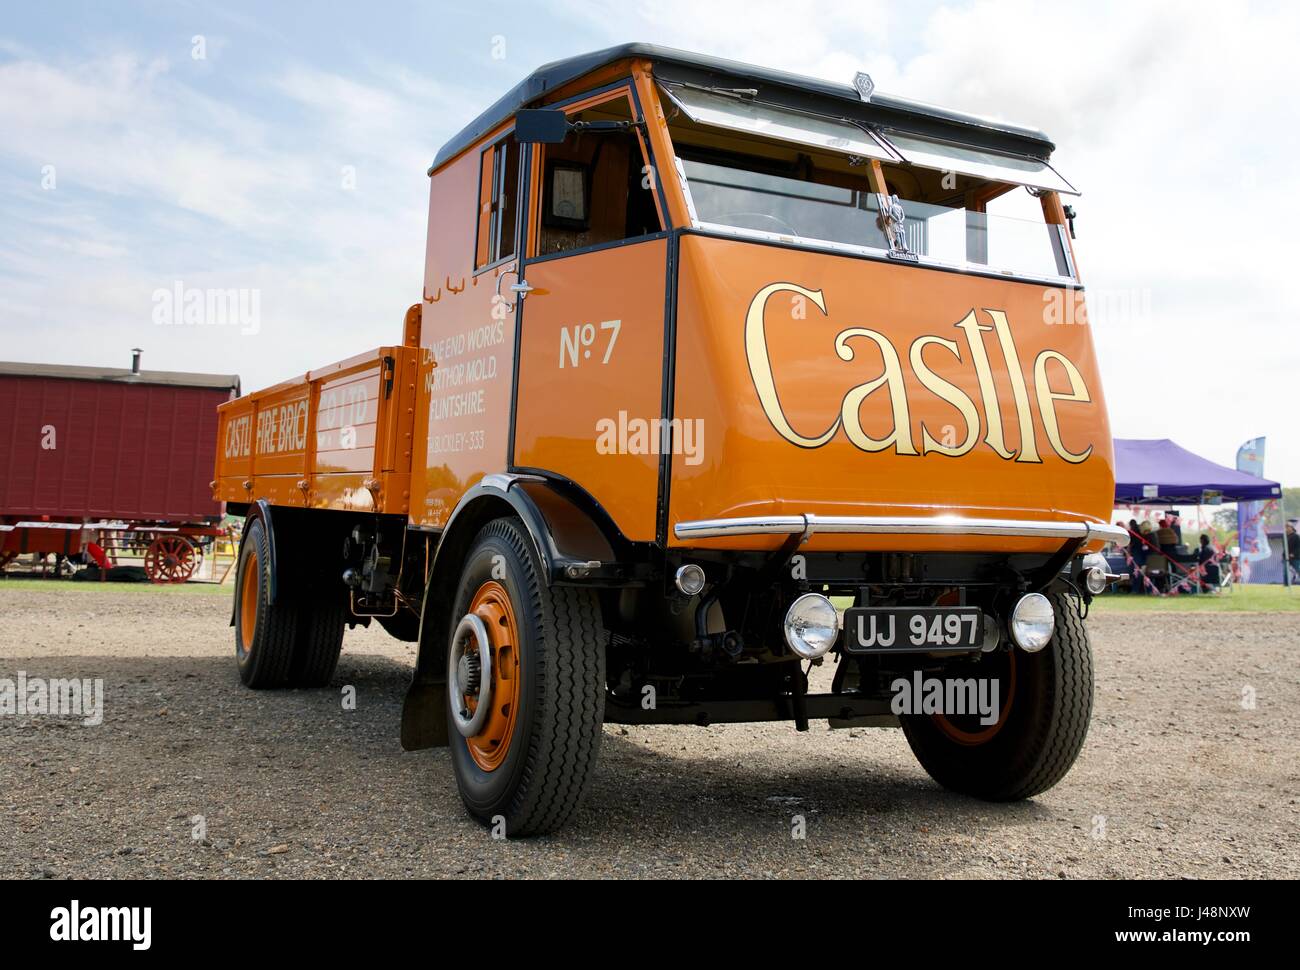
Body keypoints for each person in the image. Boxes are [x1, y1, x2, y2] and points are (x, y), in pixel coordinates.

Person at [1287, 520, 1300, 585]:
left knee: (1298, 569)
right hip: (1287, 557)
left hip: (1296, 557)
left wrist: (1293, 554)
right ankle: (1289, 582)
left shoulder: (1296, 536)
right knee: (1287, 569)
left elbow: (1298, 547)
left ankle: (1295, 578)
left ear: (1292, 528)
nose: (1286, 528)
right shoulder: (1286, 536)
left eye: (1288, 526)